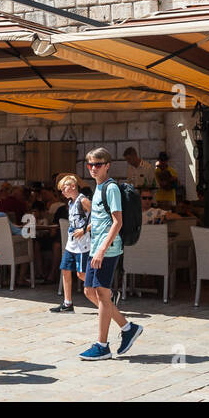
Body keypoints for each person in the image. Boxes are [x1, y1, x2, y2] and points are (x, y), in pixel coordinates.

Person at [78, 148, 142, 360]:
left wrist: (103, 249)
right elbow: (99, 219)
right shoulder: (98, 188)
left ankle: (102, 345)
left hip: (107, 249)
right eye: (90, 165)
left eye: (98, 164)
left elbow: (117, 221)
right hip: (96, 248)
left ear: (107, 165)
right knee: (89, 291)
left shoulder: (111, 188)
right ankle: (127, 327)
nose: (94, 168)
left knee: (103, 295)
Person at [50, 174, 91, 313]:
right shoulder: (70, 202)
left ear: (73, 186)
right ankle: (67, 303)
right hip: (71, 243)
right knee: (66, 269)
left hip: (83, 243)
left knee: (81, 274)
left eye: (63, 188)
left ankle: (105, 292)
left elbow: (98, 218)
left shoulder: (83, 200)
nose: (62, 192)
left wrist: (84, 230)